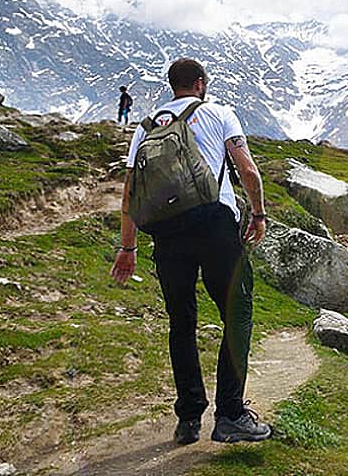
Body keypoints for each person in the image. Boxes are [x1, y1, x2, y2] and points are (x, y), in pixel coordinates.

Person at [110, 58, 268, 446]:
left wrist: (127, 247)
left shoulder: (146, 128)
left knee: (181, 322)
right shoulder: (218, 113)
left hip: (168, 234)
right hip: (215, 226)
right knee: (236, 313)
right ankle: (230, 415)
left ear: (172, 86)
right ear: (200, 84)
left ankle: (188, 418)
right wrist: (259, 214)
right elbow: (247, 170)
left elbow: (131, 193)